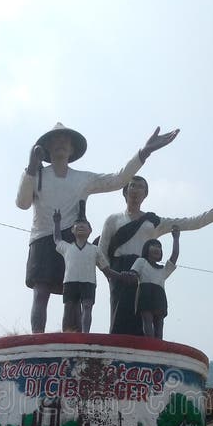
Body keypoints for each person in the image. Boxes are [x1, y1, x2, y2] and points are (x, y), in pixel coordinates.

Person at [15, 122, 179, 333]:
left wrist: (144, 152)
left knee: (74, 296)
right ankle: (37, 338)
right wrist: (31, 167)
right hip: (42, 237)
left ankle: (73, 337)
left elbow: (118, 179)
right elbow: (22, 203)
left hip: (73, 240)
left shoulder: (82, 179)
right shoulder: (35, 174)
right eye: (55, 141)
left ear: (72, 149)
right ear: (47, 147)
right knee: (41, 292)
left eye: (65, 141)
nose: (60, 145)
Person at [98, 176, 213, 335]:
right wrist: (110, 274)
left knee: (144, 314)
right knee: (120, 314)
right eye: (132, 186)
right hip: (120, 271)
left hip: (144, 271)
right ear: (125, 191)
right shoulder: (113, 219)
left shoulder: (153, 221)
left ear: (146, 194)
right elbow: (101, 251)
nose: (135, 190)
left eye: (140, 187)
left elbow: (190, 222)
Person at [53, 203, 118, 333]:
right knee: (69, 306)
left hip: (88, 282)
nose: (81, 227)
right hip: (70, 282)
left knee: (87, 306)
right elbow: (57, 239)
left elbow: (106, 269)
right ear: (73, 230)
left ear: (90, 231)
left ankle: (85, 333)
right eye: (78, 225)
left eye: (85, 225)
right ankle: (66, 332)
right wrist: (57, 223)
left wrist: (120, 276)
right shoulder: (67, 247)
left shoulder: (95, 249)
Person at [121, 229, 180, 339]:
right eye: (153, 245)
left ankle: (158, 343)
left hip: (159, 295)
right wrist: (128, 275)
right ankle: (150, 342)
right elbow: (133, 273)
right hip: (145, 292)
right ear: (146, 249)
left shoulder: (163, 270)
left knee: (159, 323)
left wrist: (176, 238)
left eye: (159, 247)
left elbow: (174, 256)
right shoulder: (141, 261)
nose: (157, 248)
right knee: (147, 320)